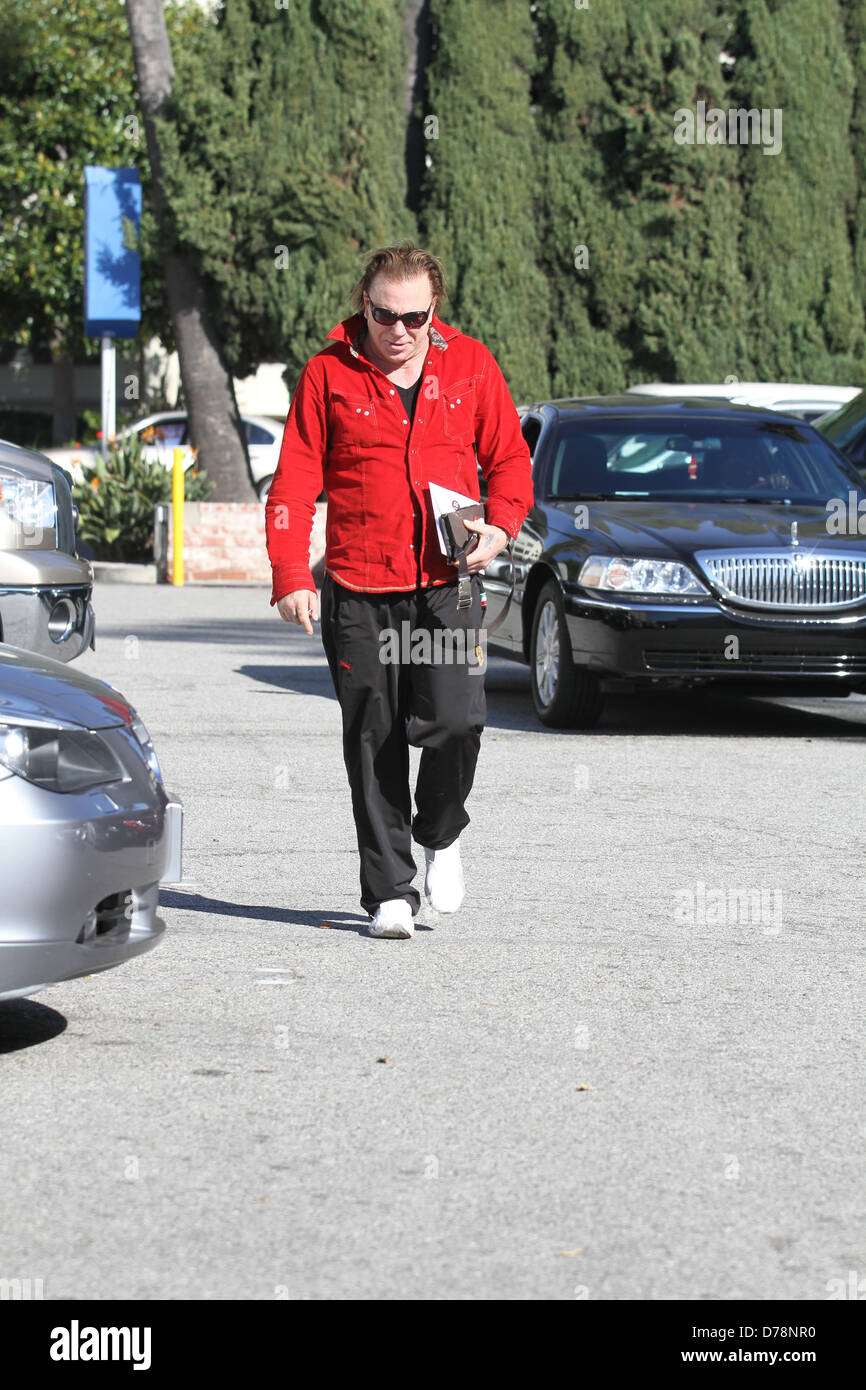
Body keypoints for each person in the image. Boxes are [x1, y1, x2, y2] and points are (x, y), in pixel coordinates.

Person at [264, 241, 533, 939]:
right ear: (365, 304)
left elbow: (509, 461)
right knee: (373, 738)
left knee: (458, 723)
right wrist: (291, 573)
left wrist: (501, 527)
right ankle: (389, 892)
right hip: (358, 586)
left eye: (415, 316)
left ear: (433, 310)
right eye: (386, 314)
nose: (400, 330)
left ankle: (440, 830)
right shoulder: (328, 374)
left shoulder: (471, 366)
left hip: (447, 583)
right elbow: (293, 481)